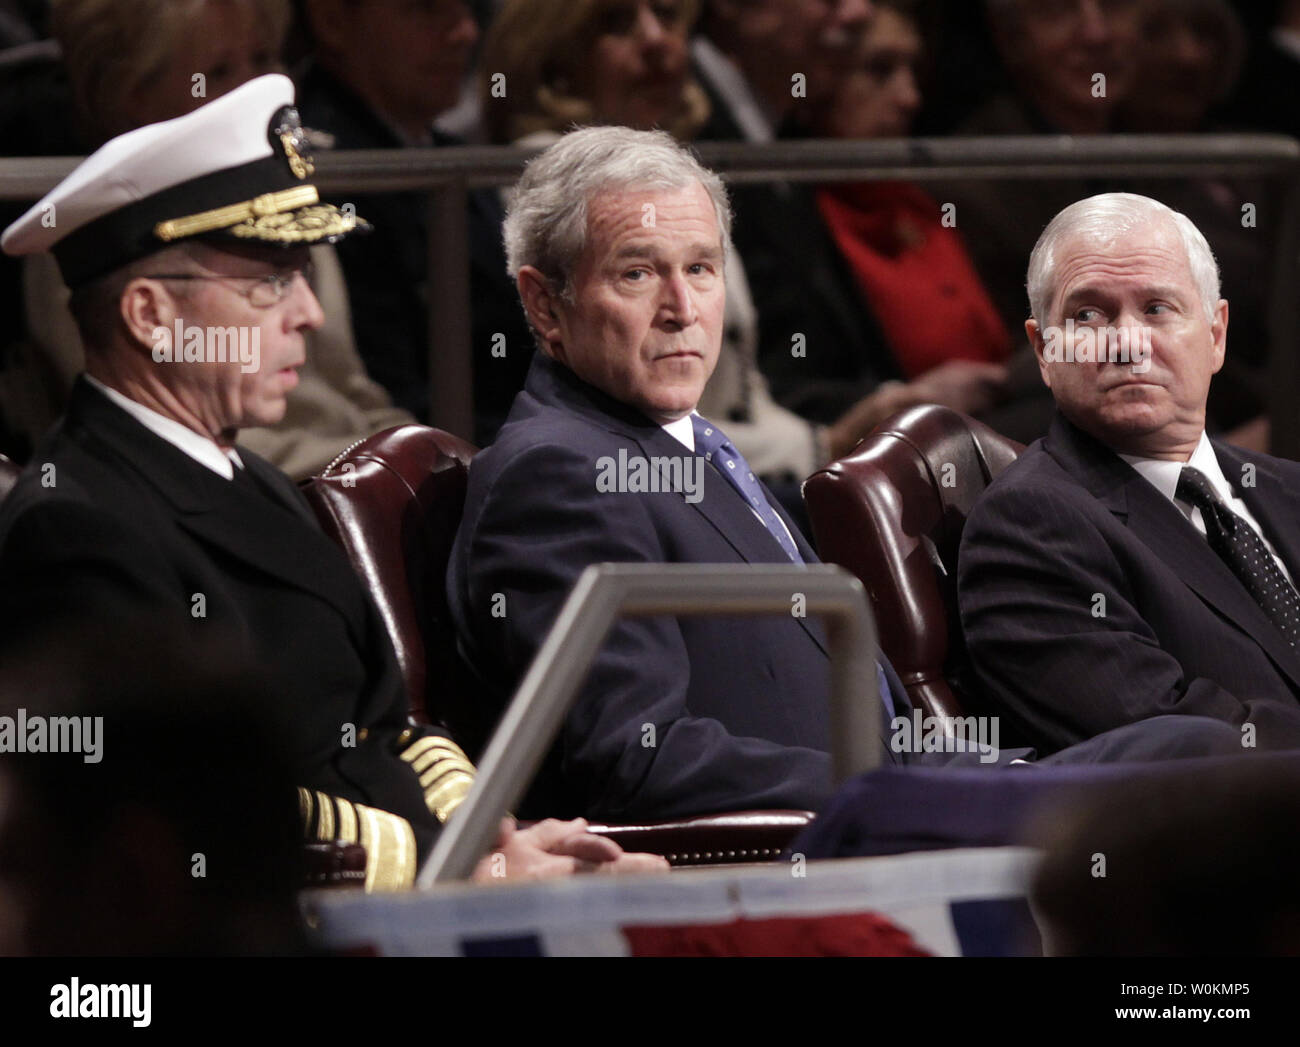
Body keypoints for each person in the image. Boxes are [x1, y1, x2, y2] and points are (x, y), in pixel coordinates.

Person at [447, 131, 1248, 824]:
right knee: (1200, 761)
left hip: (903, 795)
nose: (682, 307)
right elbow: (634, 759)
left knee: (1202, 748)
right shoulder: (559, 473)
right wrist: (906, 786)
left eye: (700, 268)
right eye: (635, 274)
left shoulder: (680, 444)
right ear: (544, 306)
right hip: (823, 844)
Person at [0, 74, 664, 888]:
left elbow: (390, 727)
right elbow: (186, 817)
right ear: (150, 316)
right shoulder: (75, 526)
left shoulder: (261, 485)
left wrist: (486, 836)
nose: (308, 314)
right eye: (270, 283)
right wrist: (454, 871)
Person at [958, 192, 1300, 757]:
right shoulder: (1028, 528)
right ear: (1044, 350)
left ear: (1215, 335)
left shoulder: (1288, 490)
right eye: (1087, 315)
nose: (1128, 342)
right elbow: (1171, 740)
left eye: (1158, 309)